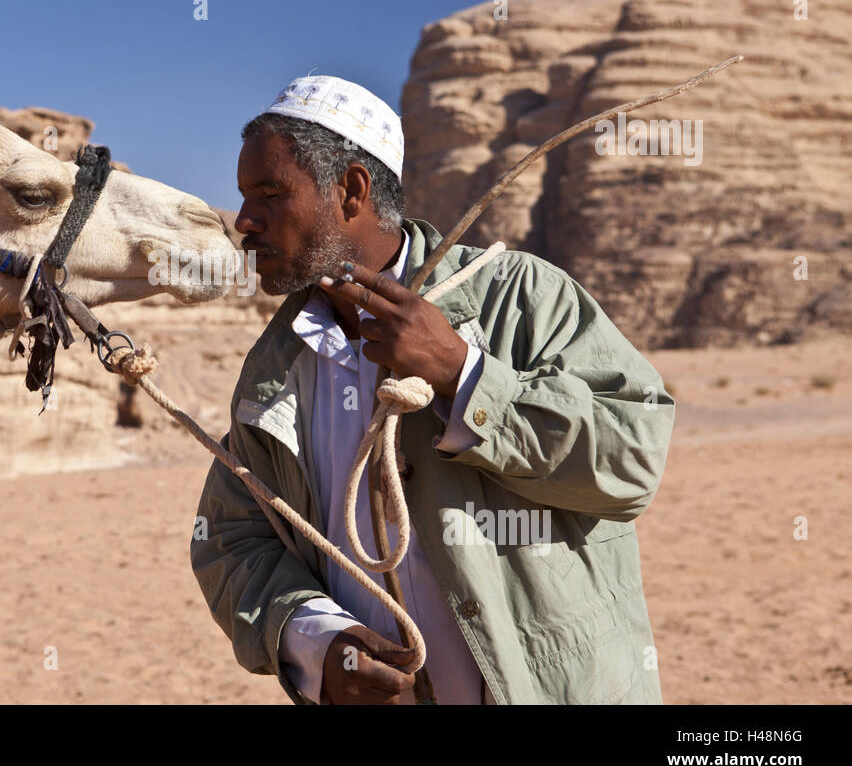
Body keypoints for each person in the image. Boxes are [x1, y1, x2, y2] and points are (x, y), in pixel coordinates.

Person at [190, 75, 674, 704]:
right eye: (243, 196)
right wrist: (318, 645)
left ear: (352, 190)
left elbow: (632, 460)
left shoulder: (519, 296)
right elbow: (233, 538)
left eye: (269, 193)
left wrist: (462, 373)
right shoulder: (276, 366)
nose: (244, 221)